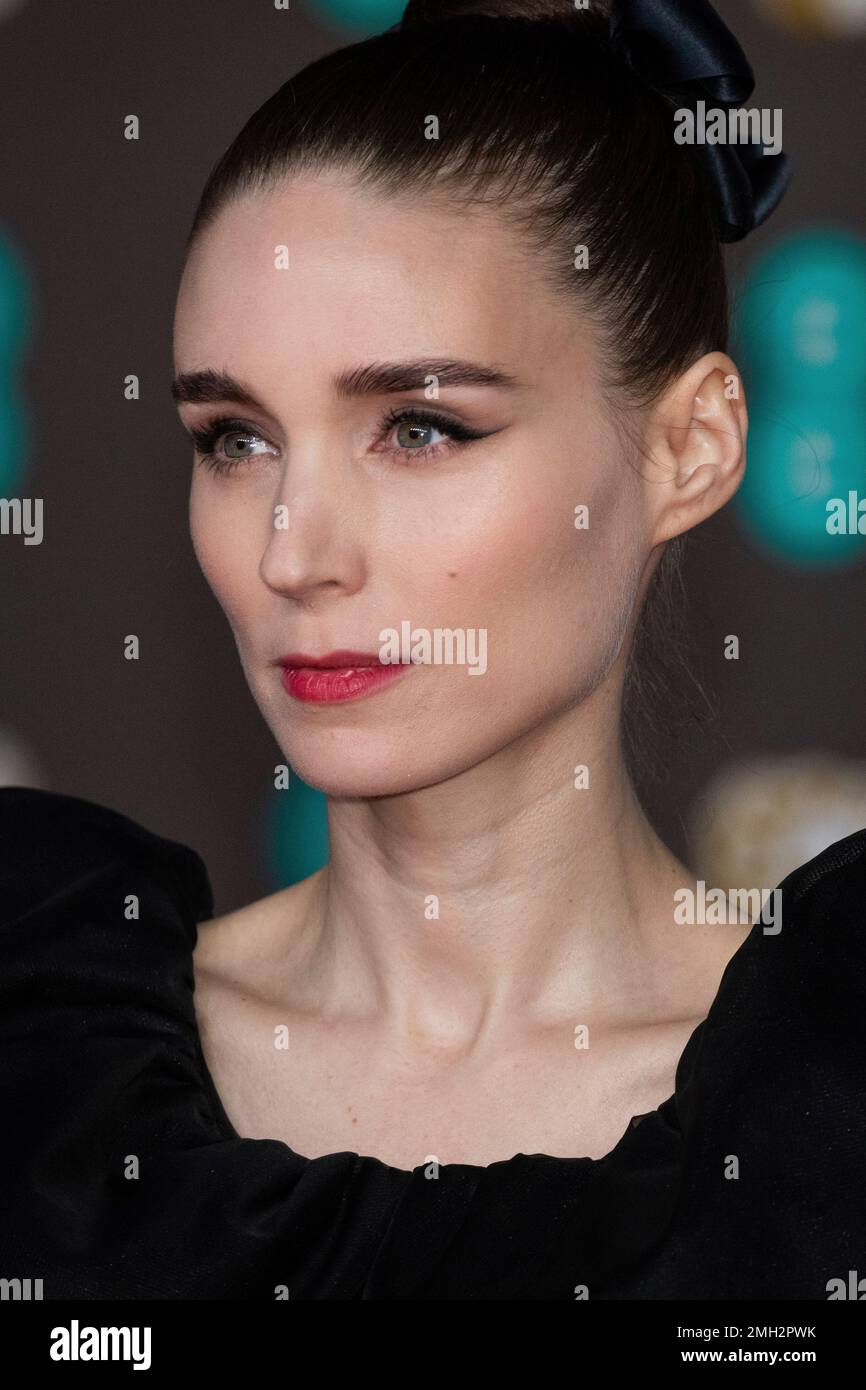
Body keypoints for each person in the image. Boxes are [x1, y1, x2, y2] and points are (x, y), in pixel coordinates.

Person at [1, 0, 863, 1301]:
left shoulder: (831, 1109)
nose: (294, 551)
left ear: (688, 446)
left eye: (417, 426)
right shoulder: (37, 1065)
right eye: (235, 438)